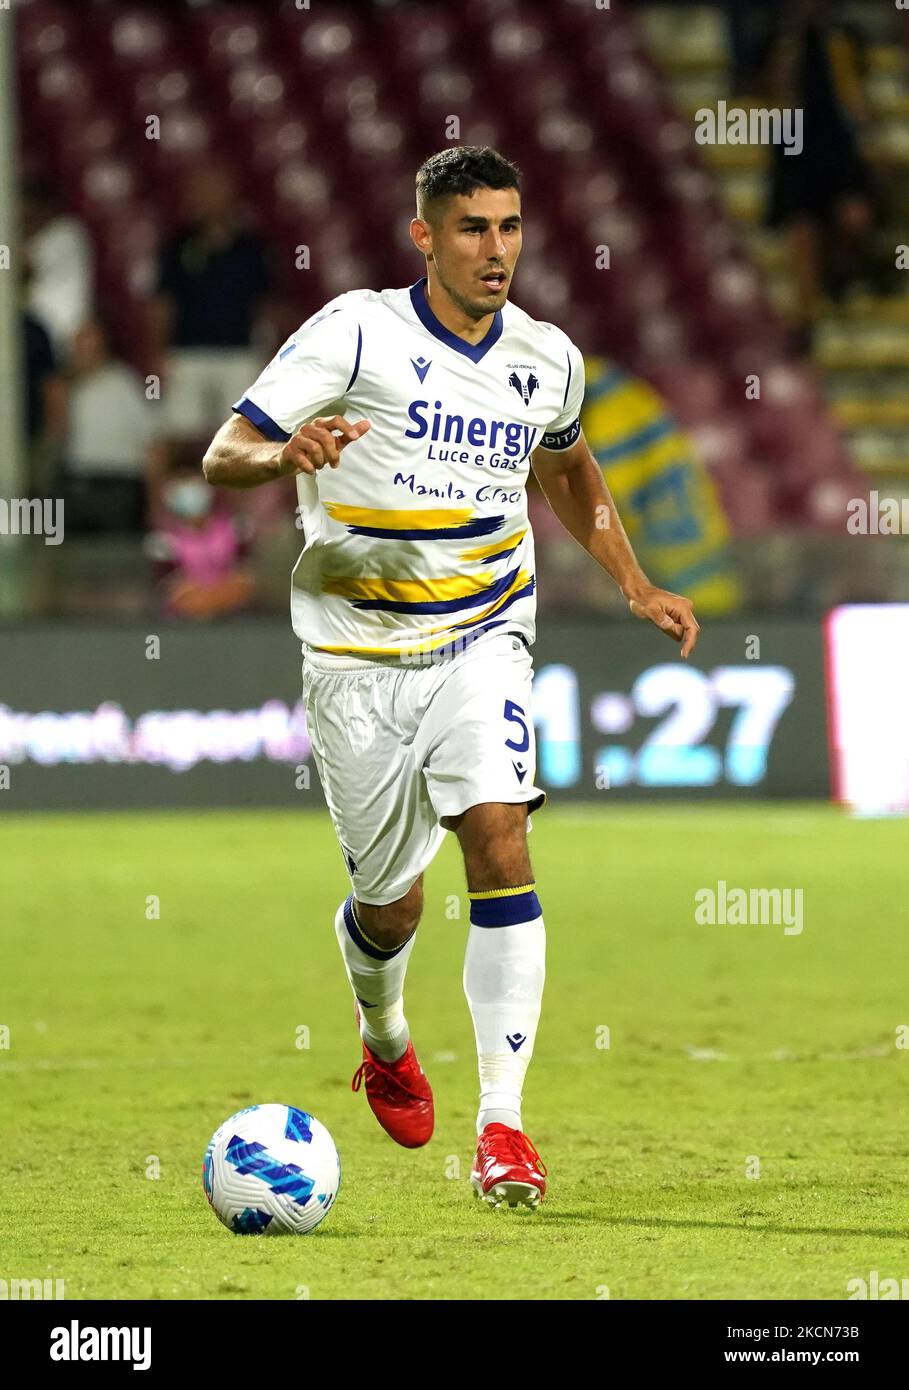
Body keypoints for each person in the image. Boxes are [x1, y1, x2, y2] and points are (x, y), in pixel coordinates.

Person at [202, 146, 699, 1209]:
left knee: (501, 828)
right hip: (356, 658)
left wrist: (633, 581)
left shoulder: (545, 356)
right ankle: (384, 1035)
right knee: (391, 905)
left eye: (511, 227)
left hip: (483, 636)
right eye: (473, 229)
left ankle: (504, 1128)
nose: (497, 250)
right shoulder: (354, 332)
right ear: (423, 235)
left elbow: (565, 465)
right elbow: (222, 454)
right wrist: (286, 455)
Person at [149, 166, 271, 437]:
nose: (208, 198)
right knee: (183, 434)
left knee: (242, 435)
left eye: (216, 191)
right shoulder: (178, 245)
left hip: (239, 354)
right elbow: (163, 304)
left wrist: (269, 355)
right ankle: (189, 481)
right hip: (187, 354)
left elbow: (265, 305)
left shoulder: (251, 248)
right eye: (202, 192)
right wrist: (159, 352)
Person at [60, 319, 155, 534]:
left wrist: (154, 503)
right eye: (78, 347)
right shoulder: (66, 389)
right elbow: (57, 436)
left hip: (119, 489)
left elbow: (152, 445)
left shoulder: (124, 385)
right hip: (77, 487)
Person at [21, 178, 95, 358]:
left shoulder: (66, 233)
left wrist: (4, 242)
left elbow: (17, 269)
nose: (21, 217)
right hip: (37, 337)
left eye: (26, 209)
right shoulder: (34, 241)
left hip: (64, 339)